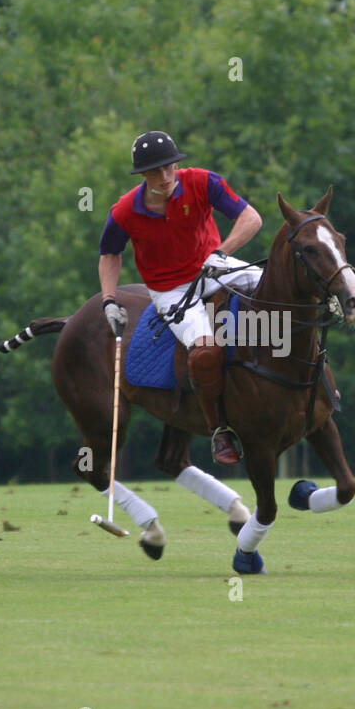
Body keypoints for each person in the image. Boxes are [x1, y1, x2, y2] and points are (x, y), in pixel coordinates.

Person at [98, 131, 263, 465]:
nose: (164, 176)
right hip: (171, 289)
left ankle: (317, 383)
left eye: (168, 166)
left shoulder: (204, 182)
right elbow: (109, 255)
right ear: (142, 176)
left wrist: (222, 253)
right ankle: (220, 431)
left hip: (214, 266)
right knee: (204, 351)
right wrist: (109, 300)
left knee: (278, 293)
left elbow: (251, 218)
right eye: (154, 171)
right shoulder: (125, 211)